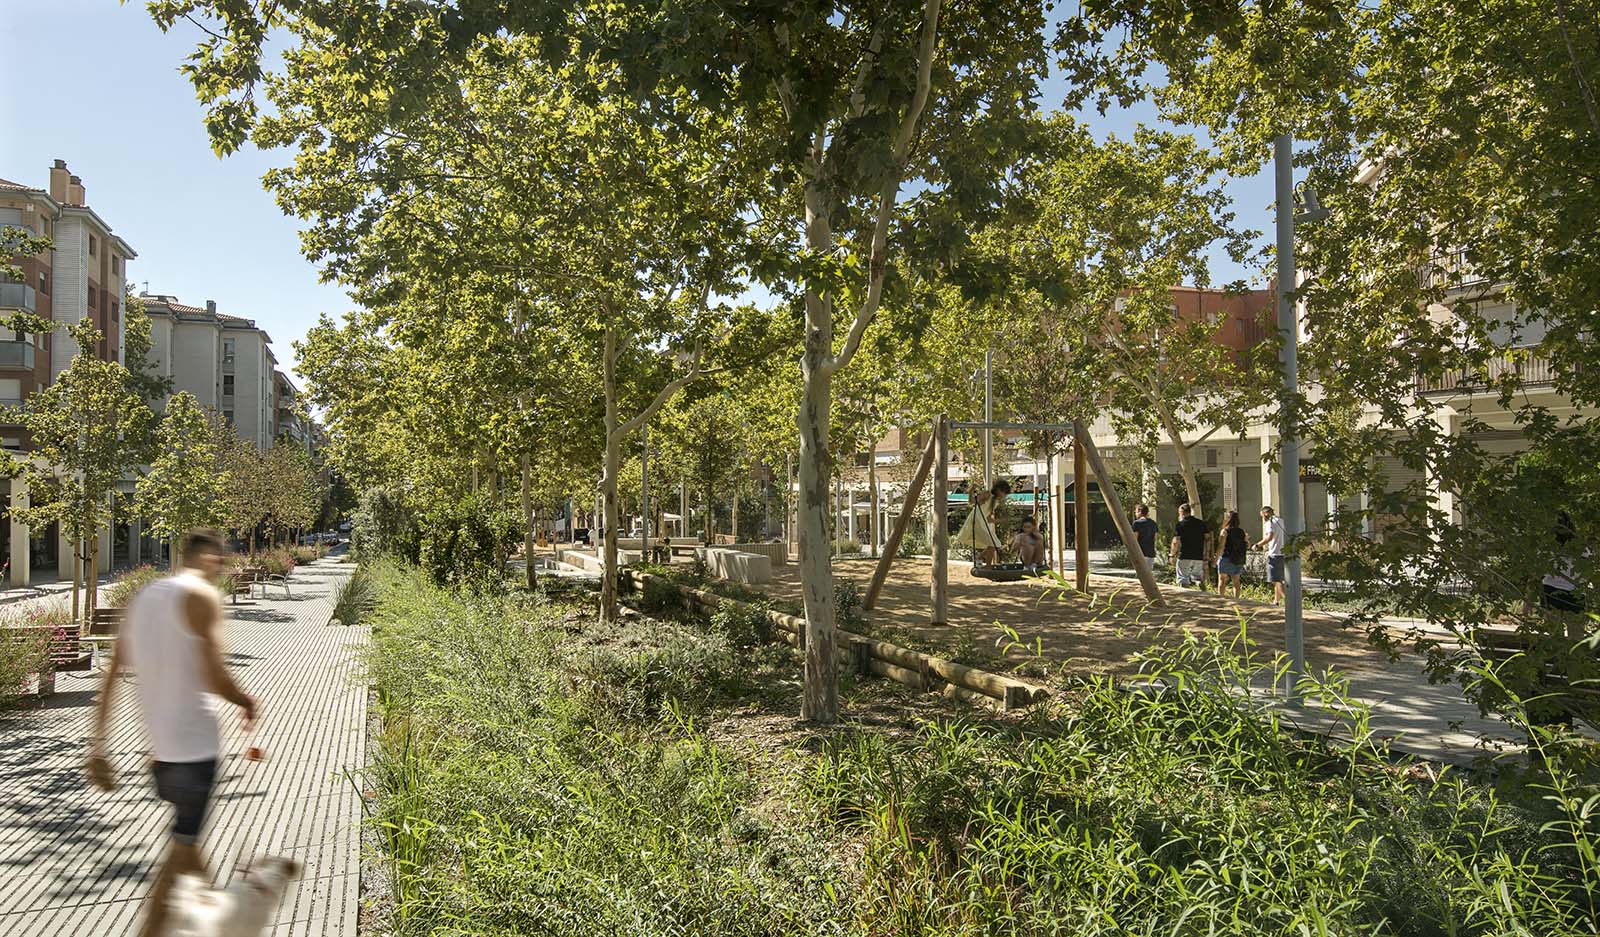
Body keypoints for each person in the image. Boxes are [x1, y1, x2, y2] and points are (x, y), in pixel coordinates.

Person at [85, 528, 258, 937]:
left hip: (161, 759)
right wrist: (246, 701)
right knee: (179, 862)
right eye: (218, 558)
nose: (220, 566)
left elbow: (111, 672)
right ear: (204, 557)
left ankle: (222, 926)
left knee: (190, 859)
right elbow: (214, 676)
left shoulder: (143, 598)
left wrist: (99, 745)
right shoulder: (202, 596)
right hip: (194, 752)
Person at [955, 478, 1011, 566]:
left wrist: (1002, 520)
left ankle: (979, 558)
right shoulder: (987, 494)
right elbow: (971, 502)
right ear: (998, 490)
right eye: (1004, 492)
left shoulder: (995, 501)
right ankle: (988, 566)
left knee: (994, 543)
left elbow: (989, 519)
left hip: (983, 522)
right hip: (977, 520)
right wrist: (971, 491)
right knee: (993, 543)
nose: (1004, 495)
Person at [1254, 505, 1288, 604]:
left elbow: (1270, 536)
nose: (1262, 518)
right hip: (1283, 553)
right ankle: (1276, 601)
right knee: (1279, 578)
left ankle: (1288, 601)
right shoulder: (1281, 521)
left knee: (1275, 580)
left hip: (1274, 553)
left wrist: (1258, 545)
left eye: (1262, 516)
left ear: (1266, 513)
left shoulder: (1270, 522)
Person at [1170, 503, 1209, 589]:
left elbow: (1176, 541)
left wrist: (1172, 554)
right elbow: (1207, 539)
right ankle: (1201, 586)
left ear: (1182, 512)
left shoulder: (1180, 525)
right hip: (1198, 555)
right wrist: (1206, 553)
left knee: (1183, 578)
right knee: (1197, 577)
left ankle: (1185, 594)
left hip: (1184, 555)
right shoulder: (1201, 523)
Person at [1216, 510, 1249, 599]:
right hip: (1238, 558)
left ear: (1227, 519)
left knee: (1222, 580)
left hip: (1226, 557)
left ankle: (1221, 598)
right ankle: (1236, 599)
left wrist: (1216, 559)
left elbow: (1221, 546)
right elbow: (1247, 544)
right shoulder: (1242, 531)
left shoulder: (1225, 531)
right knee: (1236, 581)